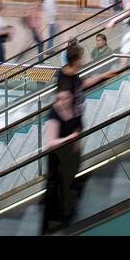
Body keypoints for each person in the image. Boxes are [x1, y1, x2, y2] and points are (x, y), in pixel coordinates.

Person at [41, 88, 83, 233]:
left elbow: (77, 127)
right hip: (57, 158)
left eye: (64, 98)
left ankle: (67, 212)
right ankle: (56, 221)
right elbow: (50, 143)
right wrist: (70, 139)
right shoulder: (54, 115)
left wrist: (76, 144)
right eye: (58, 99)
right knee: (58, 187)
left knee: (68, 184)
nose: (61, 102)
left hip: (69, 157)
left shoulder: (73, 109)